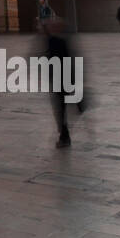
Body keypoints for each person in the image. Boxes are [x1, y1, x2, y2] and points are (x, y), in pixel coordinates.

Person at [39, 11, 81, 148]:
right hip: (61, 79)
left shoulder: (56, 41)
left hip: (61, 80)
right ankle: (64, 134)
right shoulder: (57, 40)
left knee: (60, 109)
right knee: (61, 109)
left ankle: (64, 135)